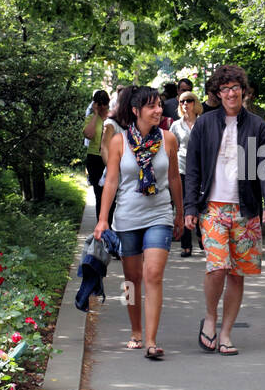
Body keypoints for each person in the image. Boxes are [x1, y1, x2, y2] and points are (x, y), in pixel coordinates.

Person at [183, 64, 265, 356]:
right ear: (217, 93)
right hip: (212, 208)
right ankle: (210, 319)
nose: (231, 93)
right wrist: (189, 207)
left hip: (246, 210)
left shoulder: (258, 125)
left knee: (237, 273)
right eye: (225, 89)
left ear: (243, 91)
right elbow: (194, 169)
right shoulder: (205, 124)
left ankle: (226, 333)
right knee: (218, 267)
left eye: (235, 87)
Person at [94, 86, 184, 360]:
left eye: (159, 105)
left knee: (153, 275)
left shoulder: (168, 140)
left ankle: (152, 341)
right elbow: (110, 182)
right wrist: (102, 220)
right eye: (152, 106)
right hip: (128, 218)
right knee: (131, 280)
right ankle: (135, 330)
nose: (158, 110)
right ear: (136, 111)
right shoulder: (119, 142)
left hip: (159, 215)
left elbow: (174, 178)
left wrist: (179, 212)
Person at [169, 89, 203, 257]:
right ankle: (186, 245)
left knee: (200, 203)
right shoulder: (176, 125)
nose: (185, 104)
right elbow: (171, 148)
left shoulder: (203, 122)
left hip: (201, 169)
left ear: (194, 103)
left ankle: (202, 236)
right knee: (182, 206)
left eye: (188, 100)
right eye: (182, 101)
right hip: (182, 168)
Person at [82, 90, 110, 209]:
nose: (103, 106)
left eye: (104, 103)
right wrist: (95, 114)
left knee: (111, 194)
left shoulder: (113, 118)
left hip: (109, 158)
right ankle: (101, 223)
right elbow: (89, 134)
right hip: (95, 158)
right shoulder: (91, 118)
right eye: (100, 103)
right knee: (99, 195)